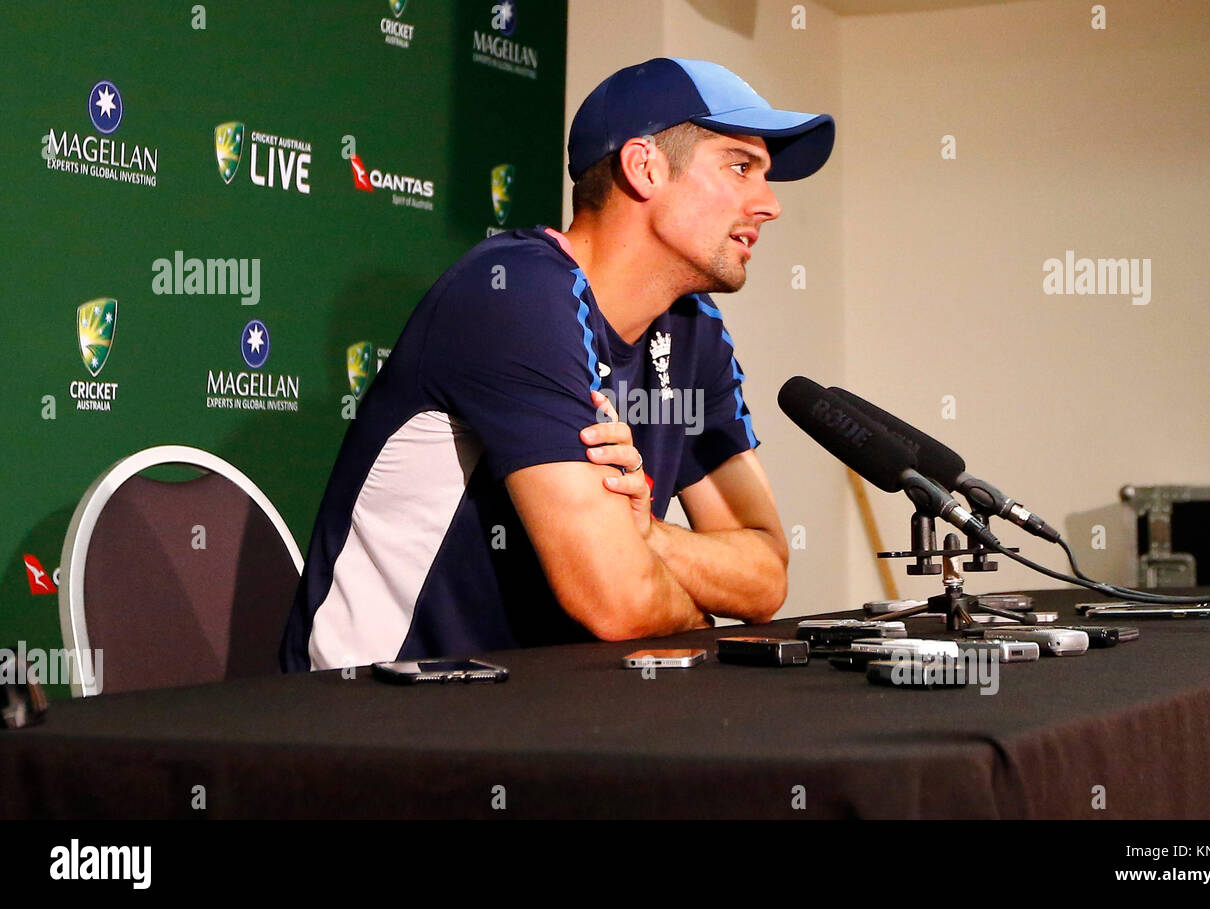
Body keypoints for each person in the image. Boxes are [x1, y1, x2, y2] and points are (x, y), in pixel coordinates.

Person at [280, 58, 835, 671]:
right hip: (368, 713)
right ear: (643, 167)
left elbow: (763, 577)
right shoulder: (514, 292)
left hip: (533, 711)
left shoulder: (690, 325)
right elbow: (617, 602)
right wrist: (699, 619)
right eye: (740, 167)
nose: (769, 205)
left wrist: (648, 536)